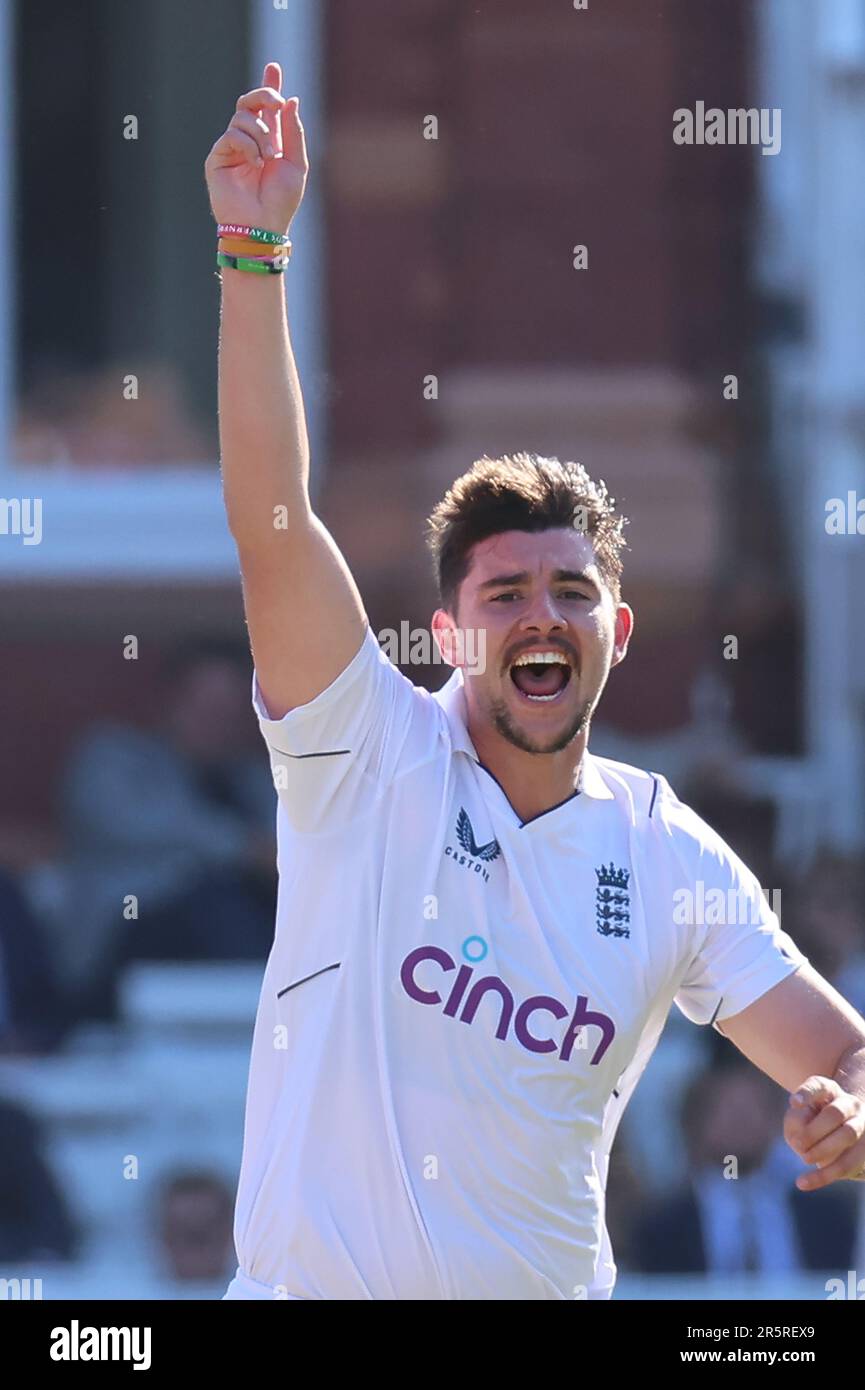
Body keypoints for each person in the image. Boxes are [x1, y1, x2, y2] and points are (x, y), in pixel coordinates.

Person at [206, 61, 865, 1301]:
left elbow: (841, 1050)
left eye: (569, 592)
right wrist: (251, 251)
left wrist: (854, 1115)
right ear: (446, 634)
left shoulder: (665, 851)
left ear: (613, 628)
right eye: (501, 595)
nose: (538, 616)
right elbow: (275, 518)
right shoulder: (364, 750)